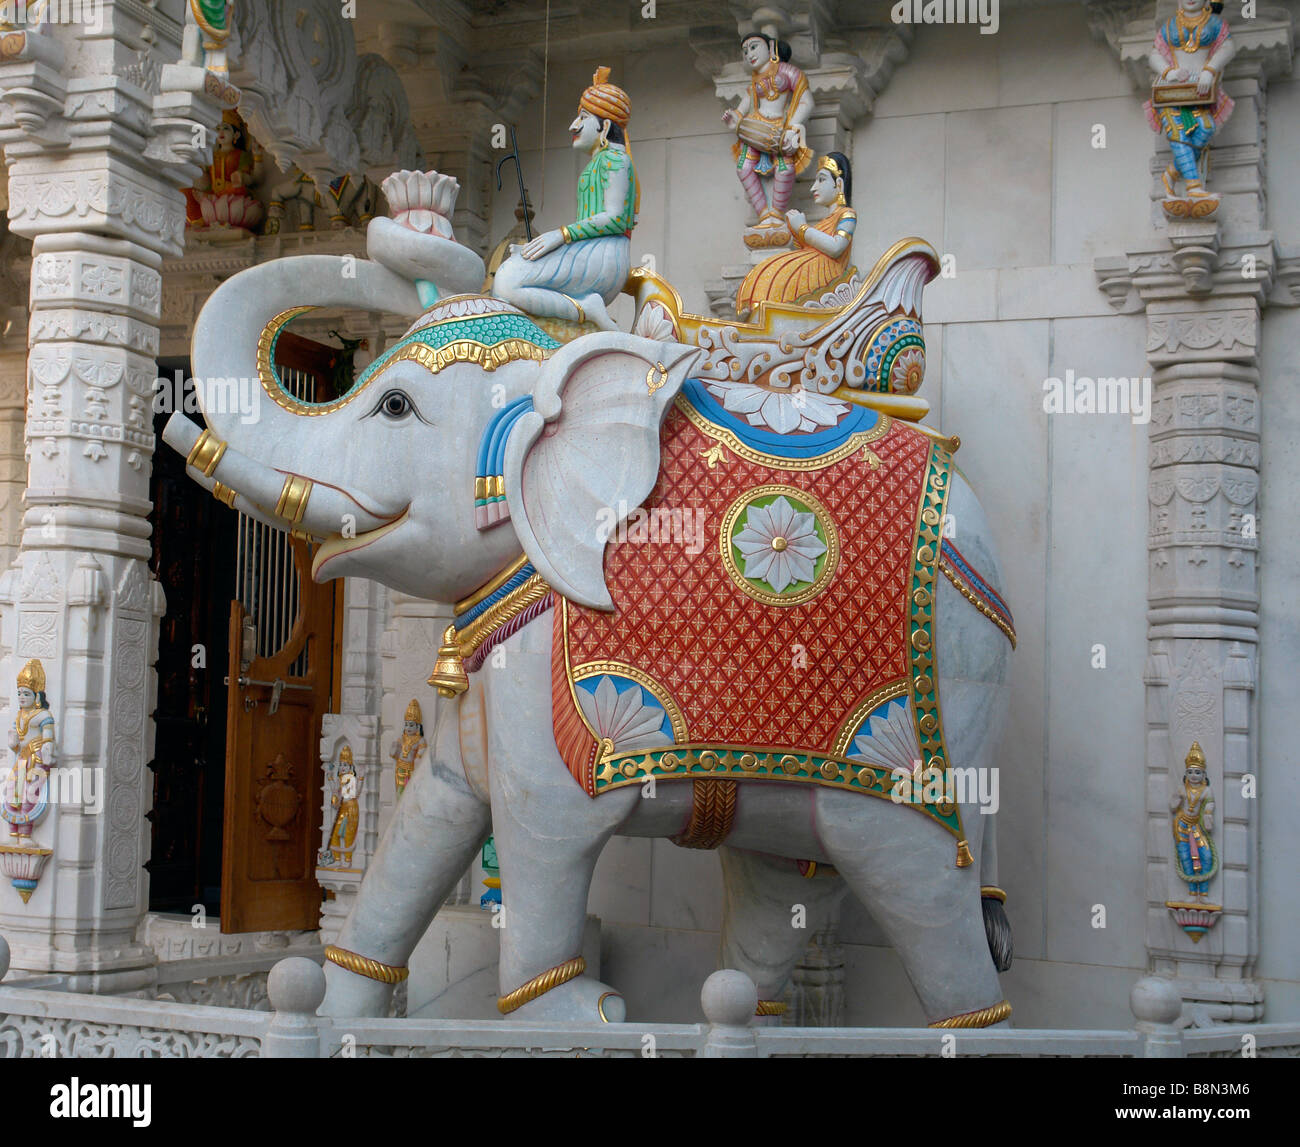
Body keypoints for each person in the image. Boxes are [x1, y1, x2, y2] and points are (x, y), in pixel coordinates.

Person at [491, 67, 638, 331]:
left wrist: (560, 236)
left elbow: (615, 218)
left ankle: (585, 309)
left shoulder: (617, 160)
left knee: (507, 281)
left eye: (582, 117)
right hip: (590, 251)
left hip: (605, 256)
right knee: (506, 283)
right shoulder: (600, 162)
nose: (573, 125)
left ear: (605, 126)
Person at [735, 152, 857, 320]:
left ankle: (764, 312)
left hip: (828, 274)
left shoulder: (847, 215)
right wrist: (798, 232)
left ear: (839, 184)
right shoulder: (823, 223)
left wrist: (803, 228)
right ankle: (755, 308)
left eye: (821, 180)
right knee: (768, 270)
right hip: (812, 267)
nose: (813, 187)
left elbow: (836, 247)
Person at [722, 32, 814, 246]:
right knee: (743, 168)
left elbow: (806, 102)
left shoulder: (789, 72)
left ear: (771, 47)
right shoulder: (754, 82)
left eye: (754, 47)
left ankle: (776, 214)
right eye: (745, 51)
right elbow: (741, 109)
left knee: (785, 168)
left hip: (778, 130)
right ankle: (763, 214)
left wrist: (793, 129)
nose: (749, 54)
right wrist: (732, 118)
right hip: (754, 130)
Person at [1145, 0, 1236, 201]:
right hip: (1172, 89)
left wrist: (1209, 71)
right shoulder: (1169, 25)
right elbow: (1154, 54)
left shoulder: (1214, 23)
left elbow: (1228, 48)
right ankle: (1194, 187)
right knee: (1178, 134)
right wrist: (1169, 72)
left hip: (1199, 89)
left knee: (1206, 127)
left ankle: (1170, 174)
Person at [2, 660, 56, 841]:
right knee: (12, 794)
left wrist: (47, 752)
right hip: (22, 760)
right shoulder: (19, 716)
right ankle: (13, 833)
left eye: (26, 693)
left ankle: (25, 835)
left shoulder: (43, 716)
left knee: (29, 796)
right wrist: (14, 745)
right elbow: (17, 744)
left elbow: (48, 738)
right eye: (19, 694)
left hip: (37, 761)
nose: (22, 697)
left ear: (37, 696)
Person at [1170, 741, 1218, 899]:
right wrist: (1176, 800)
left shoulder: (1206, 790)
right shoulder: (1182, 789)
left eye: (1197, 772)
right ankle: (1192, 891)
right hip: (1181, 825)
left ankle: (1203, 891)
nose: (1193, 776)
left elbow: (1209, 802)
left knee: (1206, 856)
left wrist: (1208, 814)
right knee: (1185, 857)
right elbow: (1172, 805)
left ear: (1204, 775)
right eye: (1190, 772)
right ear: (1185, 774)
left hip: (1197, 825)